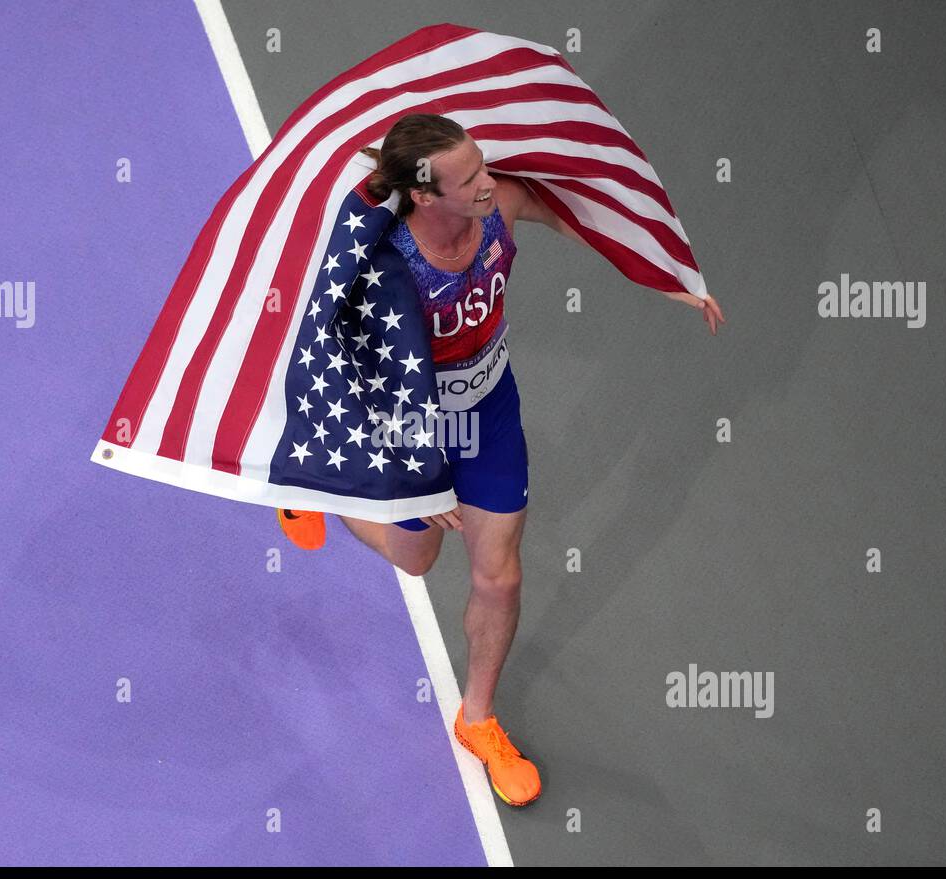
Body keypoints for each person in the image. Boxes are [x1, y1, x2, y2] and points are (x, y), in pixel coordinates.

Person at [277, 114, 724, 808]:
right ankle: (331, 493)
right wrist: (418, 484)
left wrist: (666, 277)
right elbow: (364, 378)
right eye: (474, 177)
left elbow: (568, 215)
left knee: (500, 577)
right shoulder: (386, 268)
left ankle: (477, 717)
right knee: (416, 559)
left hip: (488, 414)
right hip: (411, 425)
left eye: (485, 166)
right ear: (427, 196)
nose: (491, 181)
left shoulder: (500, 208)